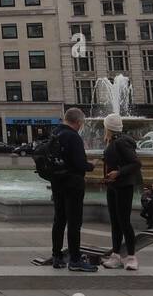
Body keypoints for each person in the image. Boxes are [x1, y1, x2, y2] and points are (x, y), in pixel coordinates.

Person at [43, 107, 97, 272]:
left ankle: (57, 256)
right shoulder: (73, 137)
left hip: (57, 182)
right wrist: (91, 165)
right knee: (74, 222)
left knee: (59, 220)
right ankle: (75, 259)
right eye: (81, 123)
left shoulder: (55, 133)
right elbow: (80, 163)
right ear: (78, 122)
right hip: (73, 184)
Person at [100, 112, 143, 271]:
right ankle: (116, 255)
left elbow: (136, 163)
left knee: (124, 221)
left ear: (108, 127)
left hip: (123, 185)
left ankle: (131, 257)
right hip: (114, 186)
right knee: (115, 222)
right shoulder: (112, 142)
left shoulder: (121, 142)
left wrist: (118, 173)